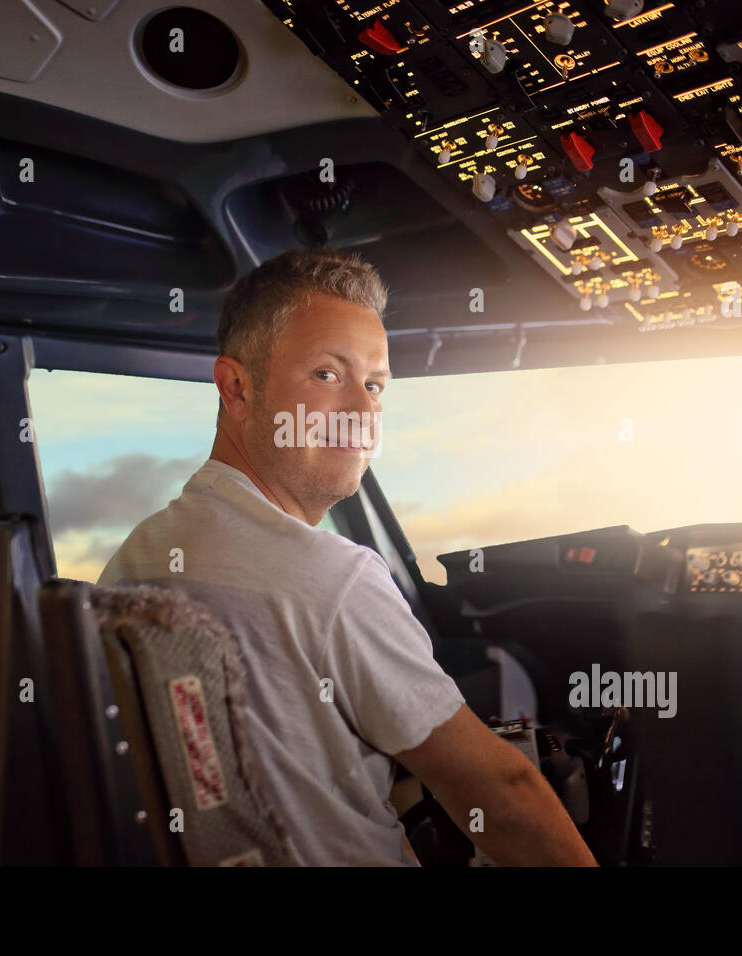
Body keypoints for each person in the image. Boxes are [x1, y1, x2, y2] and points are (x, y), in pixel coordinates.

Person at [98, 249, 596, 866]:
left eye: (375, 384)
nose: (364, 413)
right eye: (327, 375)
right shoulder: (332, 578)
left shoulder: (135, 558)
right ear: (237, 387)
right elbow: (504, 791)